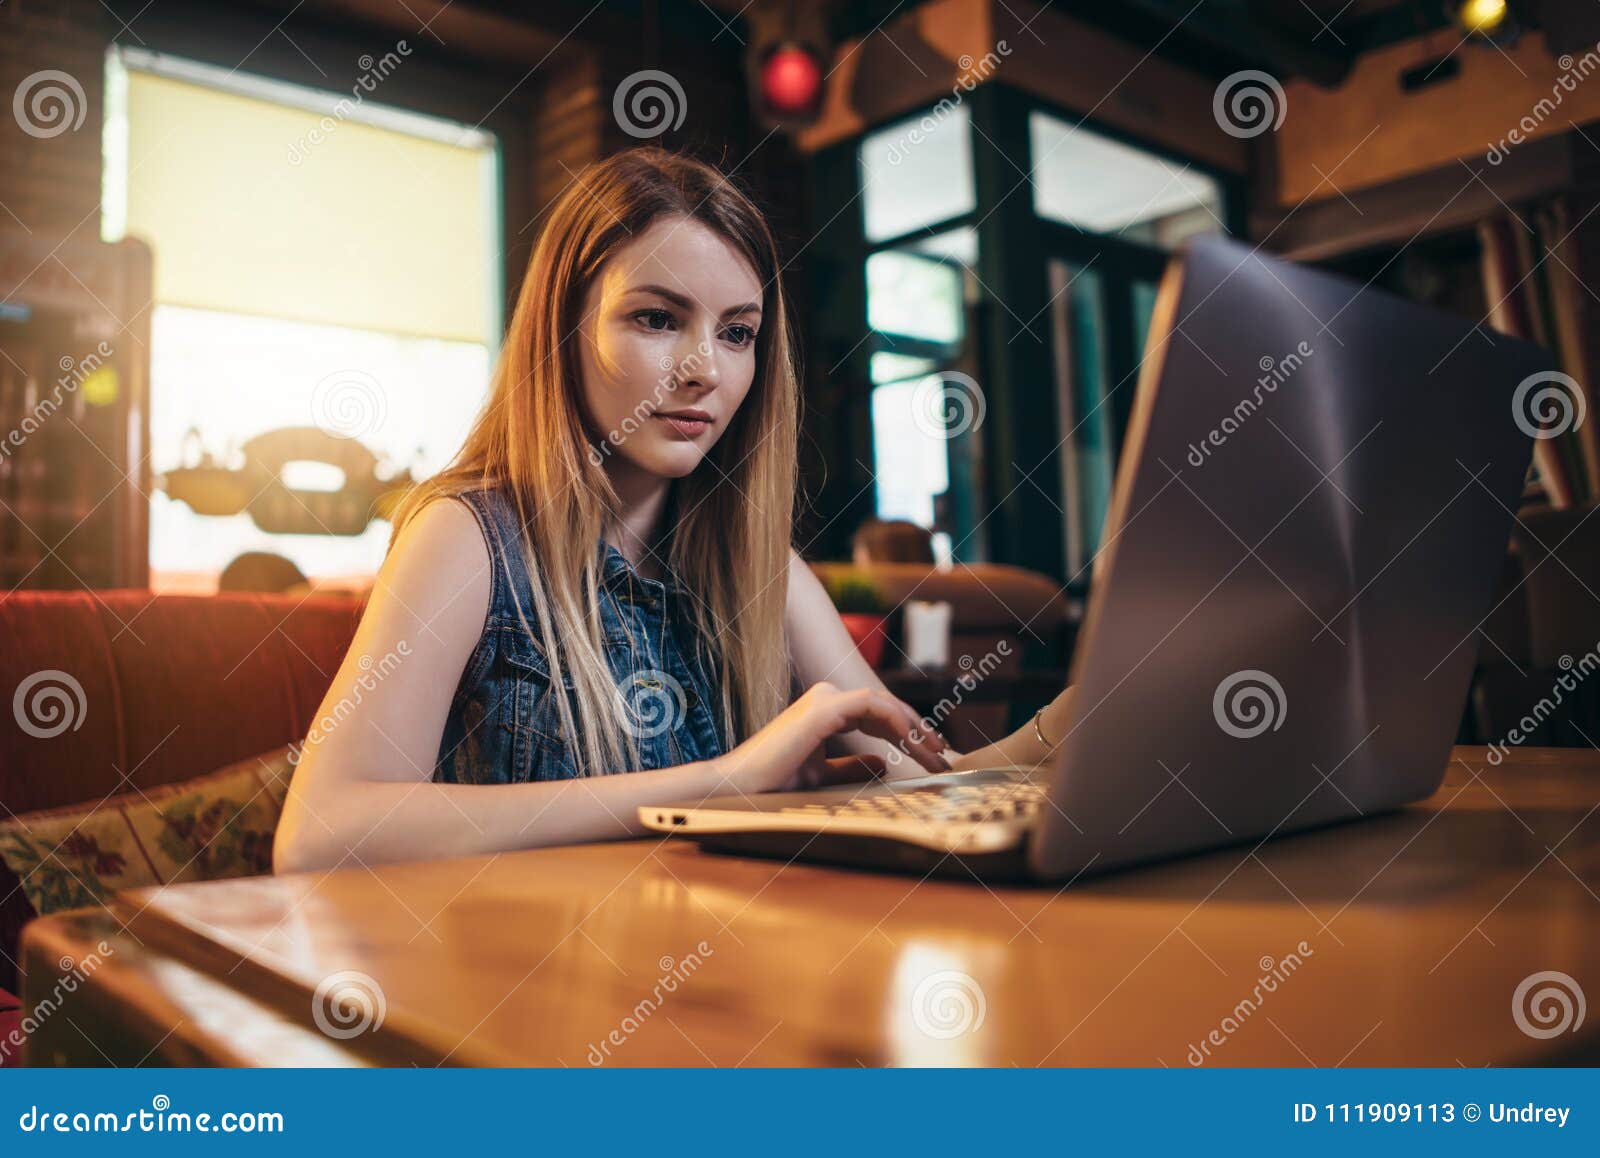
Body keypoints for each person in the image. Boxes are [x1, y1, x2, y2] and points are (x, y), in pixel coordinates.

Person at [273, 147, 1071, 874]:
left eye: (736, 333)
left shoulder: (765, 568)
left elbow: (921, 786)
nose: (703, 370)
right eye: (657, 319)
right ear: (564, 330)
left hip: (714, 999)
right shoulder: (468, 536)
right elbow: (319, 835)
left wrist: (1070, 726)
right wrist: (722, 783)